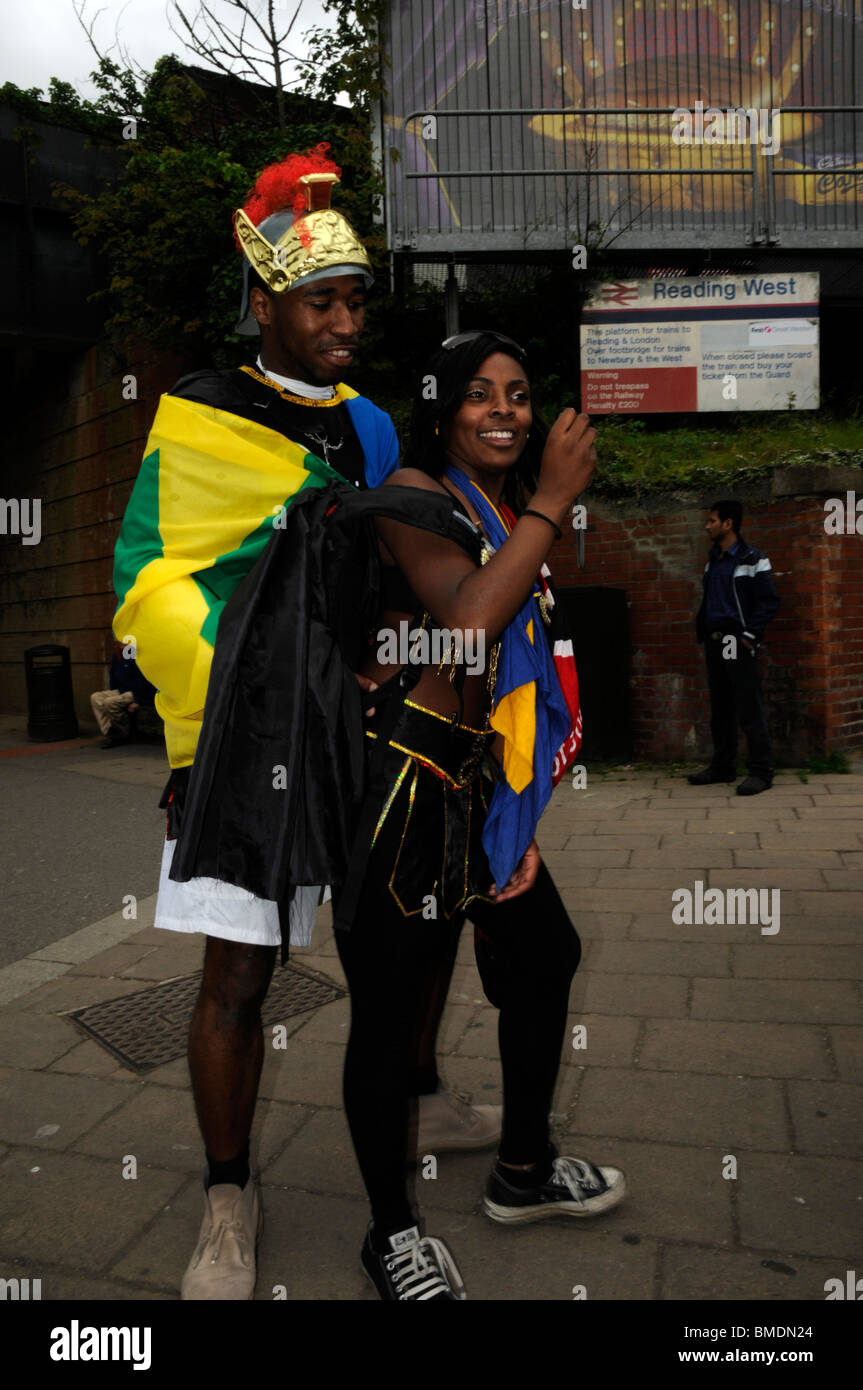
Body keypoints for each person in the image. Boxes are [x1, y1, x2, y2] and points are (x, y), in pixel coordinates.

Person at [111, 147, 498, 1301]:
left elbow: (395, 568)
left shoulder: (375, 429)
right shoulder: (199, 412)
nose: (343, 320)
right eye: (321, 301)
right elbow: (145, 578)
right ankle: (229, 1193)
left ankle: (415, 1089)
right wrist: (256, 687)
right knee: (240, 972)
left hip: (362, 742)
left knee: (407, 942)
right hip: (249, 742)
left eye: (353, 301)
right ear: (265, 303)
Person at [330, 331, 626, 1300]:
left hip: (472, 792)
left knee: (544, 954)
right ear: (442, 407)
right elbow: (464, 622)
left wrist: (513, 821)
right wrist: (549, 502)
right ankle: (391, 1234)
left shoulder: (495, 509)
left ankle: (523, 1170)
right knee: (388, 1015)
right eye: (480, 394)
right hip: (401, 793)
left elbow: (498, 678)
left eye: (518, 392)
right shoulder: (415, 492)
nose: (505, 409)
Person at [689, 500, 780, 796]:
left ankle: (761, 771)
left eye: (712, 520)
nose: (707, 525)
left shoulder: (753, 558)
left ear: (728, 524)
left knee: (746, 704)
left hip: (734, 638)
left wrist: (748, 636)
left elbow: (768, 602)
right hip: (715, 639)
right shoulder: (713, 559)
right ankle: (723, 767)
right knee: (721, 707)